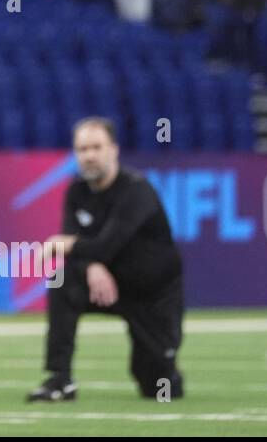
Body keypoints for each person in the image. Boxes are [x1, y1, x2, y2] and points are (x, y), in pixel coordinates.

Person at [30, 117, 185, 402]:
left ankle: (168, 366)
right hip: (107, 286)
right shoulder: (76, 191)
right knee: (62, 283)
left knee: (158, 386)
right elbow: (84, 245)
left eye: (96, 147)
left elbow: (101, 244)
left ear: (114, 149)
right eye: (82, 149)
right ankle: (59, 379)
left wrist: (64, 245)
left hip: (153, 294)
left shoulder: (137, 190)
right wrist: (92, 265)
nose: (89, 155)